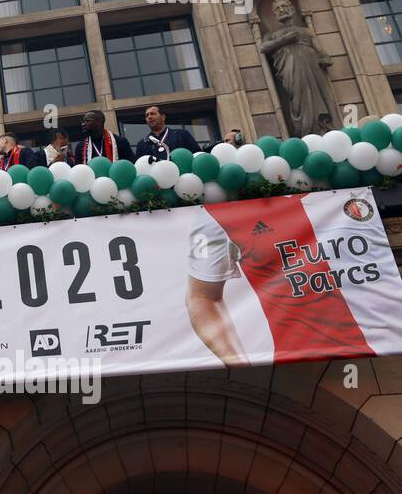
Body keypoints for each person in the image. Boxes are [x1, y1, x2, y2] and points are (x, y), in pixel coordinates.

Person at [186, 192, 402, 366]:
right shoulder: (216, 215)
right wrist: (240, 365)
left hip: (391, 344)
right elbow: (202, 297)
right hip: (304, 359)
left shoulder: (348, 188)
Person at [135, 106, 200, 161]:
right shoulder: (142, 144)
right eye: (147, 115)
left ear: (163, 117)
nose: (149, 117)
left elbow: (198, 156)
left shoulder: (182, 135)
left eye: (153, 114)